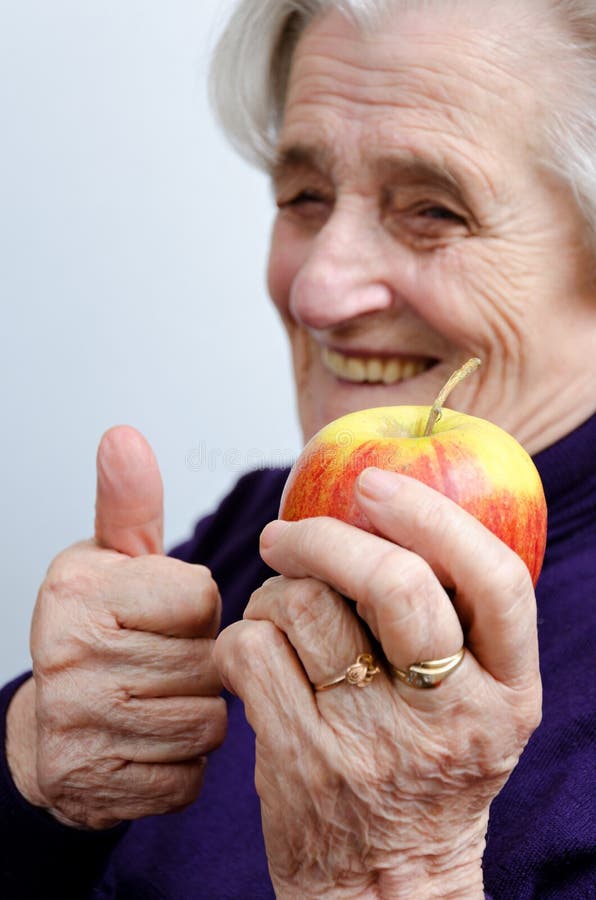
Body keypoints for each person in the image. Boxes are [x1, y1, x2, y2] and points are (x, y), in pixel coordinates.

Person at [1, 0, 595, 896]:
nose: (316, 290)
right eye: (304, 197)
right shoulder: (261, 526)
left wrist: (401, 874)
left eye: (433, 208)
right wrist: (32, 763)